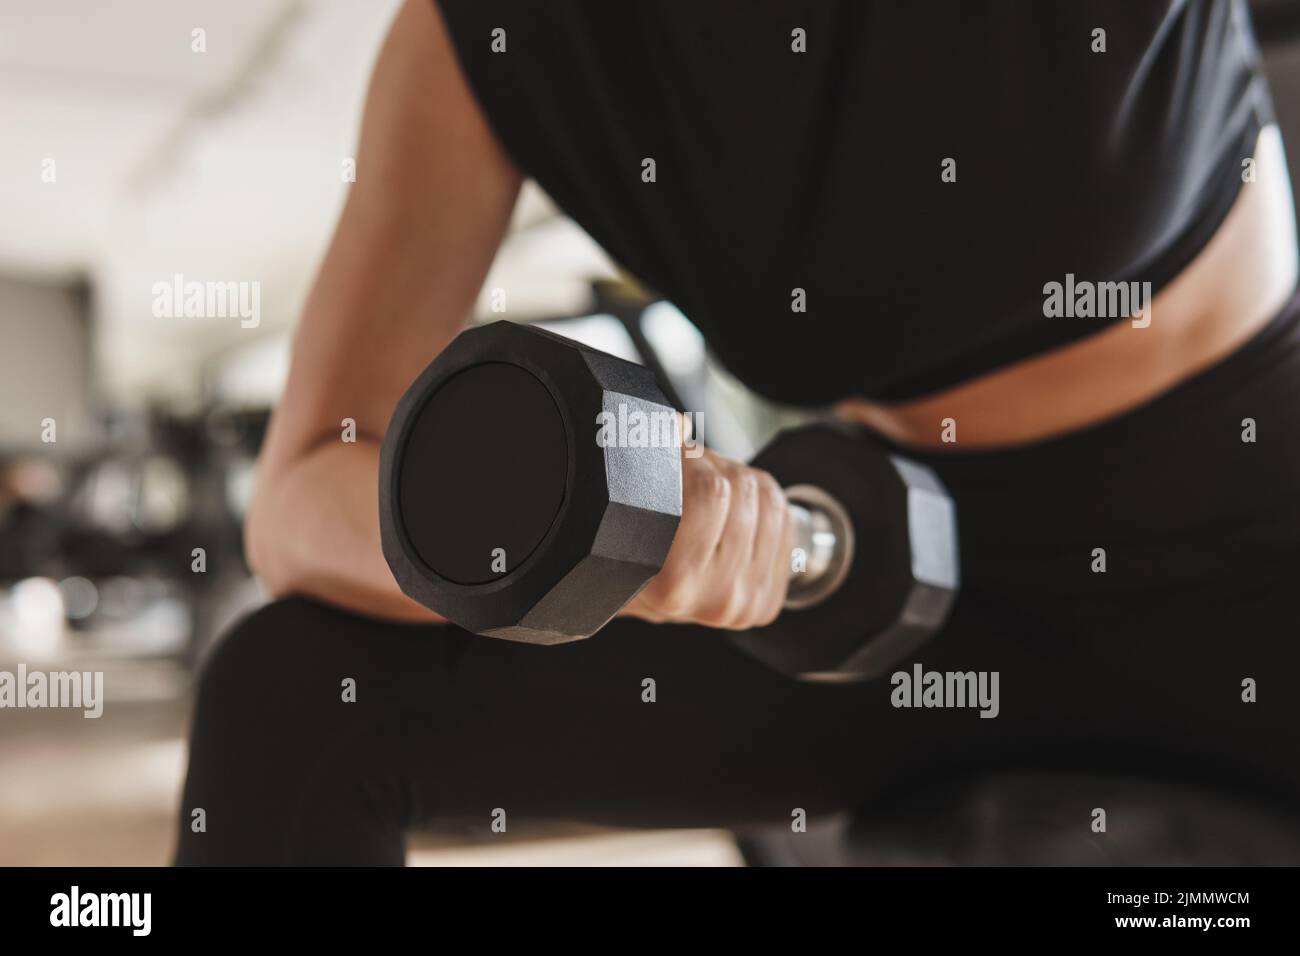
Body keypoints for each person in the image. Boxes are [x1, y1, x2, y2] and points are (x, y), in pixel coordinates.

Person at [175, 0, 1300, 865]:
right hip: (876, 591)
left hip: (1251, 554)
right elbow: (297, 498)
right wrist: (599, 550)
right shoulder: (488, 37)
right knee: (292, 697)